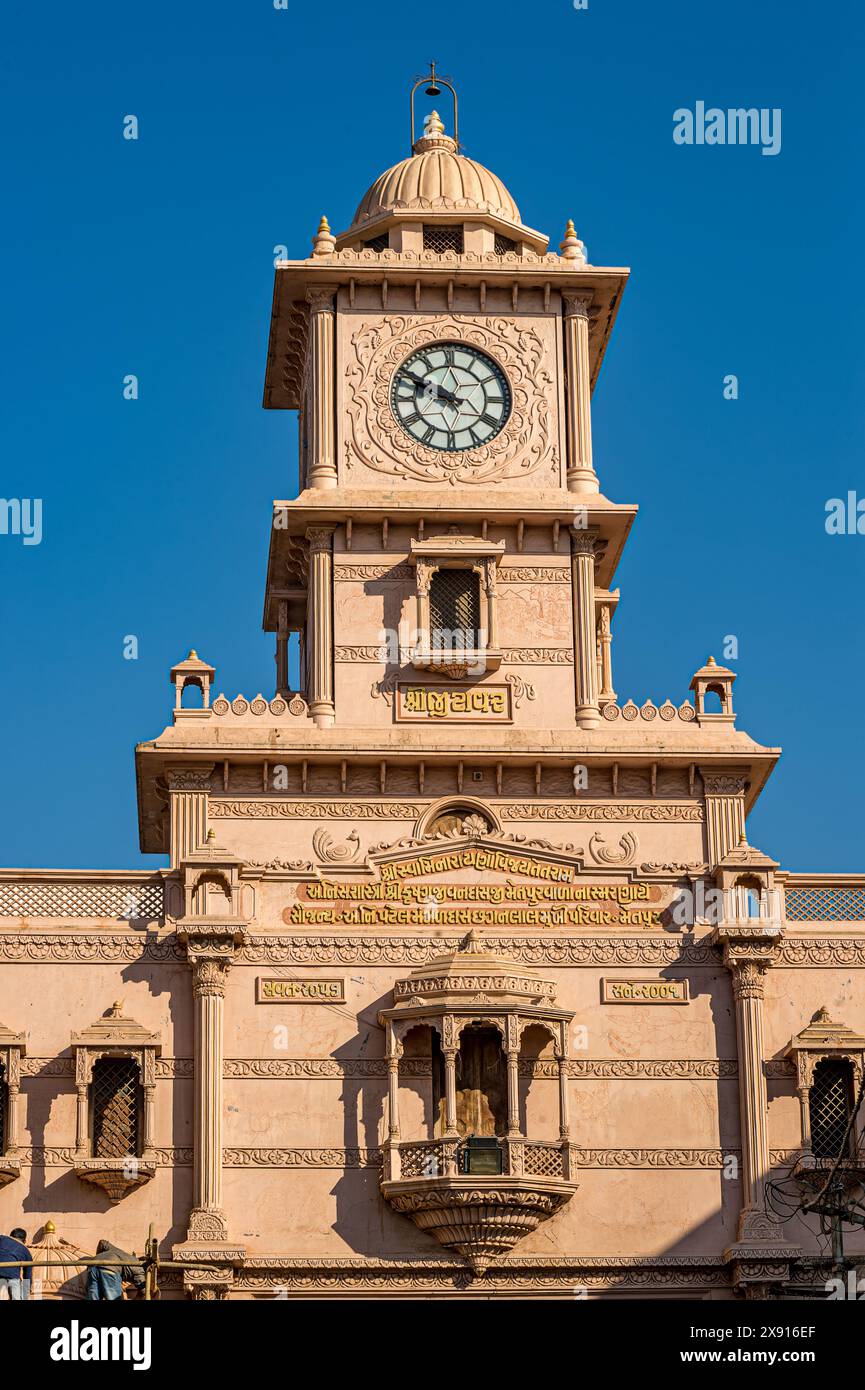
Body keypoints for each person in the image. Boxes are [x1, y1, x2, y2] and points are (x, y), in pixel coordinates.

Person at [0, 1229, 32, 1300]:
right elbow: (27, 1276)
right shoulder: (26, 1251)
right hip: (12, 1277)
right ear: (24, 1241)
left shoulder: (2, 1238)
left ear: (10, 1236)